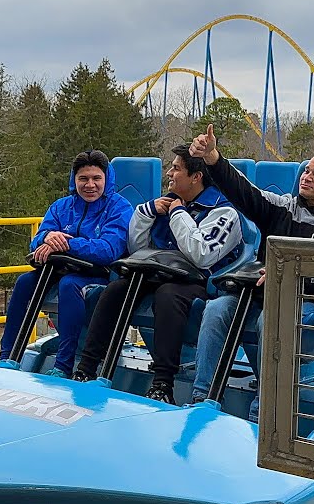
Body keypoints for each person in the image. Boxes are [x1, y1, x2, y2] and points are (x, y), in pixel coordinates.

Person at [187, 125, 314, 403]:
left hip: (304, 302)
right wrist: (213, 158)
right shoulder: (283, 207)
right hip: (255, 292)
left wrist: (287, 276)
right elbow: (242, 191)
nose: (307, 178)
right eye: (307, 170)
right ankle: (203, 398)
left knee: (270, 319)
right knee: (216, 308)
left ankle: (266, 408)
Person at [71, 144, 243, 404]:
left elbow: (201, 254)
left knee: (168, 296)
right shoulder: (165, 204)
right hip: (157, 272)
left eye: (176, 169)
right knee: (117, 289)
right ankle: (86, 368)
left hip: (199, 280)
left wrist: (178, 214)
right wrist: (146, 212)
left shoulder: (223, 212)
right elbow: (138, 249)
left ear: (196, 177)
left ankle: (163, 384)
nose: (169, 174)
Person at [0, 150, 133, 377]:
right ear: (74, 180)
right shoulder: (61, 207)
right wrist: (47, 238)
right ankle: (7, 356)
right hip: (59, 269)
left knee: (69, 286)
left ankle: (63, 365)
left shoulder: (119, 208)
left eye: (96, 178)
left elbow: (108, 250)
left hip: (97, 273)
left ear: (106, 179)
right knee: (24, 283)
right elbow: (37, 242)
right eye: (83, 179)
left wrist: (66, 243)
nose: (90, 185)